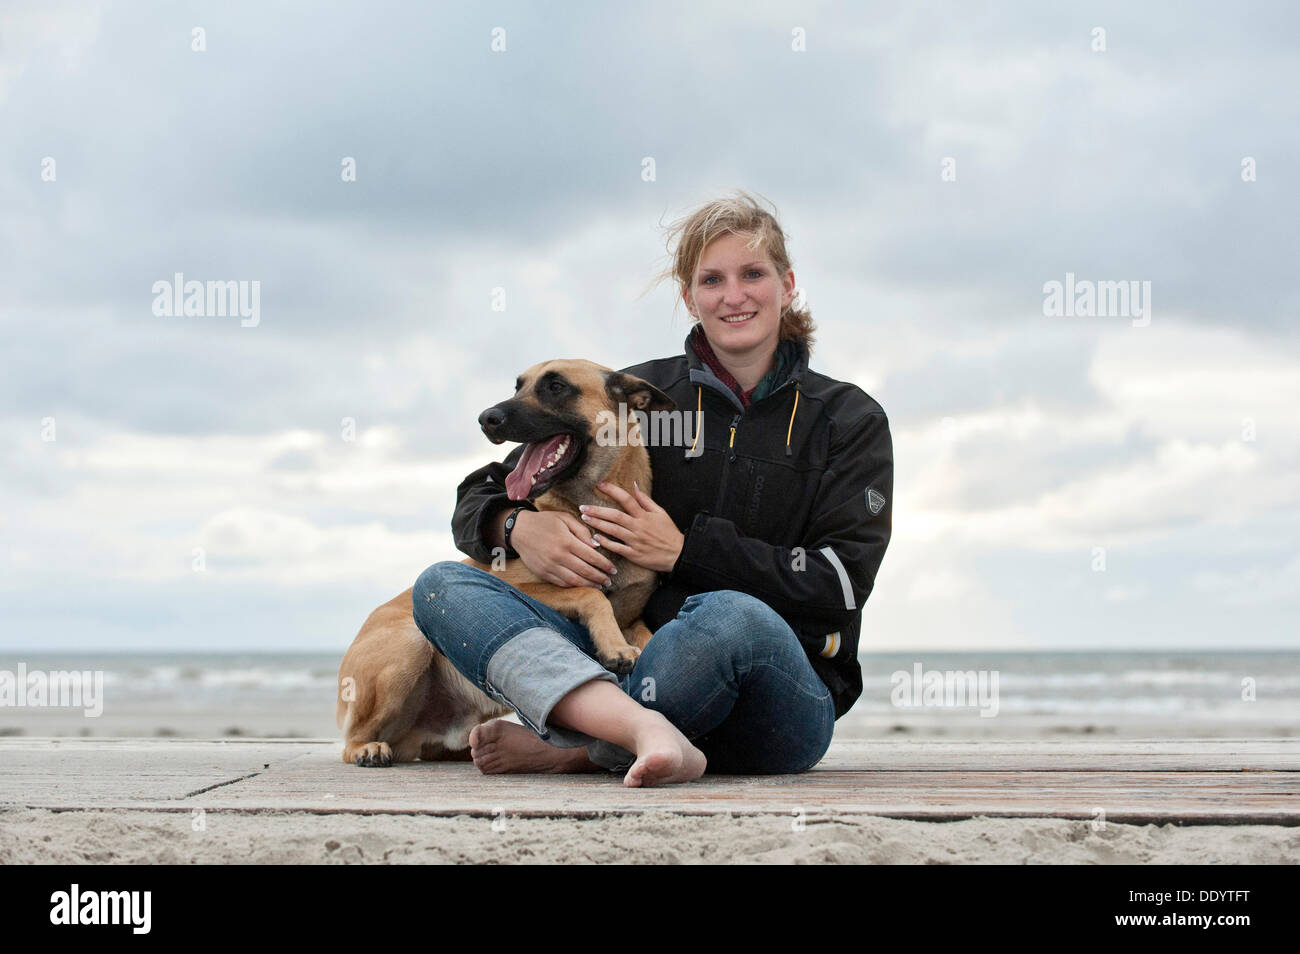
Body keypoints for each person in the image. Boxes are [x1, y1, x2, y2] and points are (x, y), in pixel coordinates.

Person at [411, 190, 893, 787]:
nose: (734, 295)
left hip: (778, 697)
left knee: (732, 616)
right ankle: (636, 732)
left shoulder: (848, 419)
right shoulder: (635, 397)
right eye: (711, 280)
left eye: (753, 274)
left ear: (788, 284)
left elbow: (842, 584)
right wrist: (514, 526)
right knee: (440, 586)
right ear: (690, 298)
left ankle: (584, 745)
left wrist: (686, 552)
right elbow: (484, 491)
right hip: (623, 659)